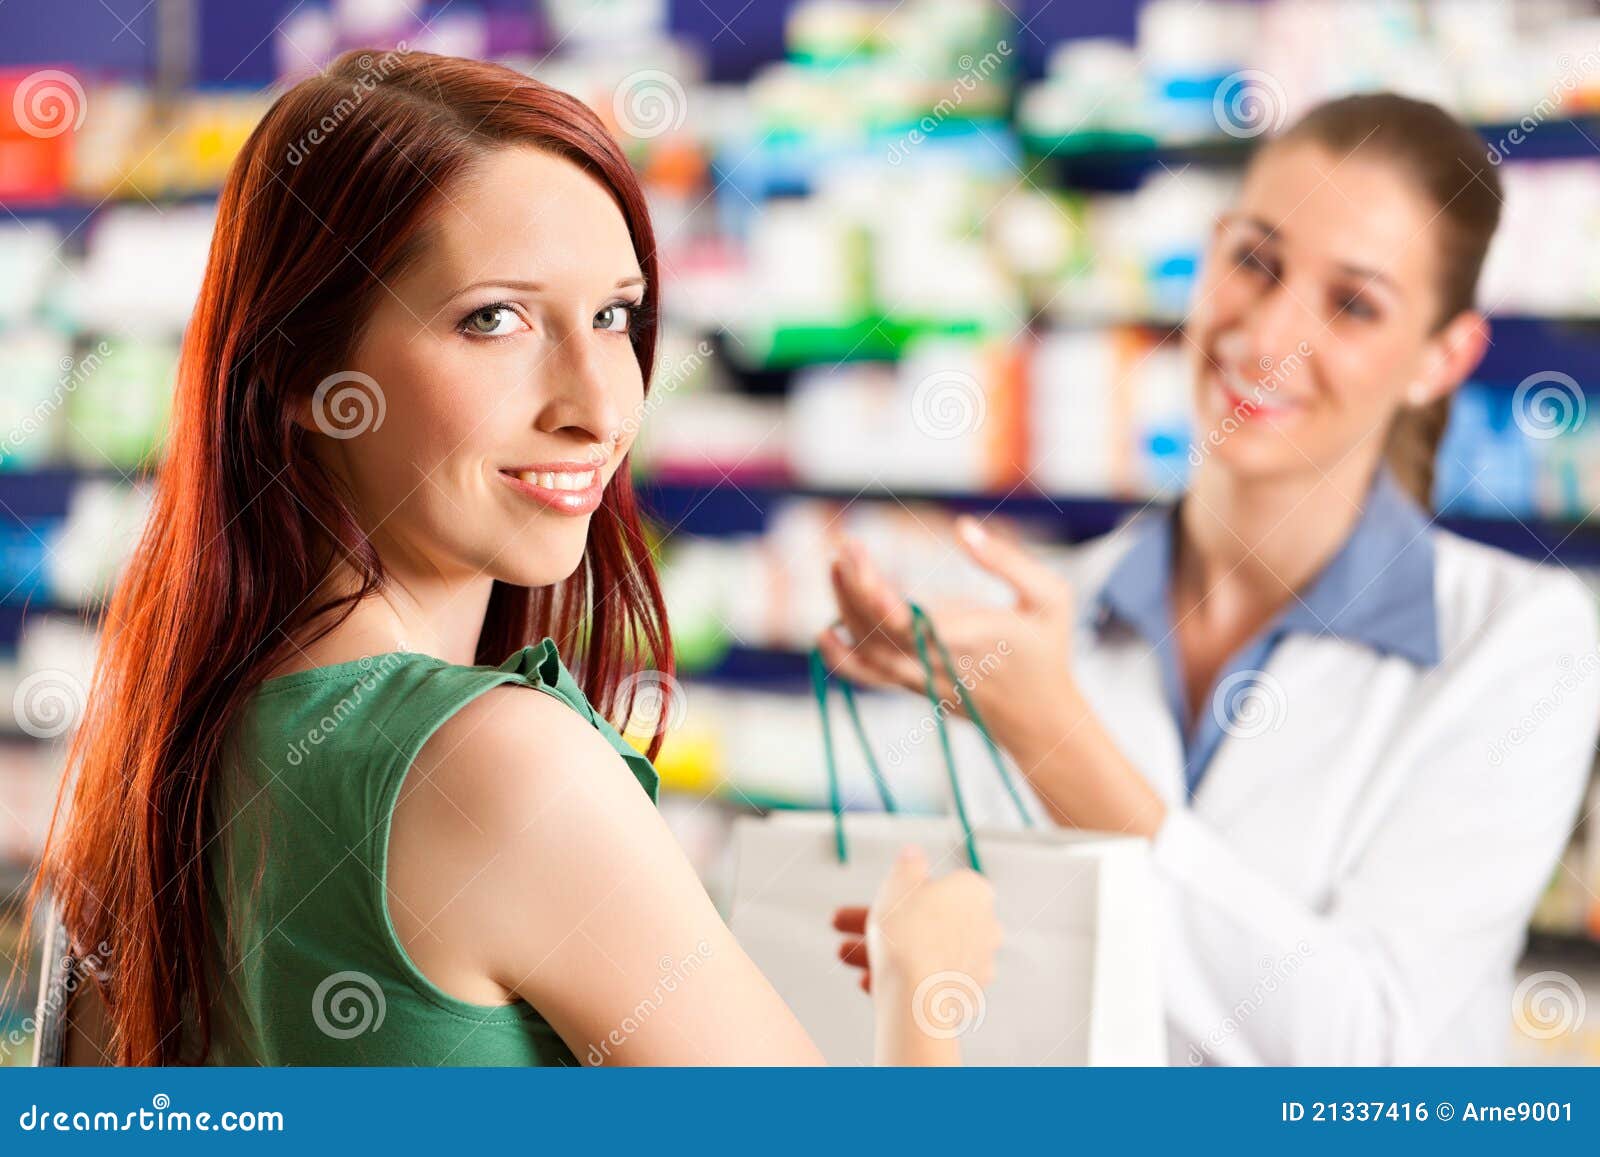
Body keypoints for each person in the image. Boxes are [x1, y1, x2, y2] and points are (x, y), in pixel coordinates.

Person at [27, 50, 1001, 1067]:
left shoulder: (165, 738)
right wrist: (925, 989)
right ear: (301, 375)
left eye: (613, 315)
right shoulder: (498, 766)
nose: (596, 407)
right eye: (494, 318)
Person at [821, 93, 1600, 1065]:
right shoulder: (1040, 615)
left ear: (1440, 358)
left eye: (1352, 303)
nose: (1269, 335)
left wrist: (1052, 733)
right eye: (1252, 261)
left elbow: (1370, 1048)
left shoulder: (1523, 639)